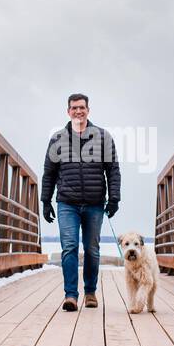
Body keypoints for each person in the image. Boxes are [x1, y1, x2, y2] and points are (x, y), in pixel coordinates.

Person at [41, 93, 121, 311]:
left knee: (92, 249)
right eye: (74, 108)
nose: (78, 111)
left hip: (95, 203)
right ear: (68, 112)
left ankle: (91, 292)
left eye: (82, 107)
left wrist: (114, 198)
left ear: (88, 110)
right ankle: (70, 295)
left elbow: (113, 170)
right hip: (67, 203)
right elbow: (49, 173)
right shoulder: (58, 139)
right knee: (69, 248)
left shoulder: (103, 137)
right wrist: (45, 201)